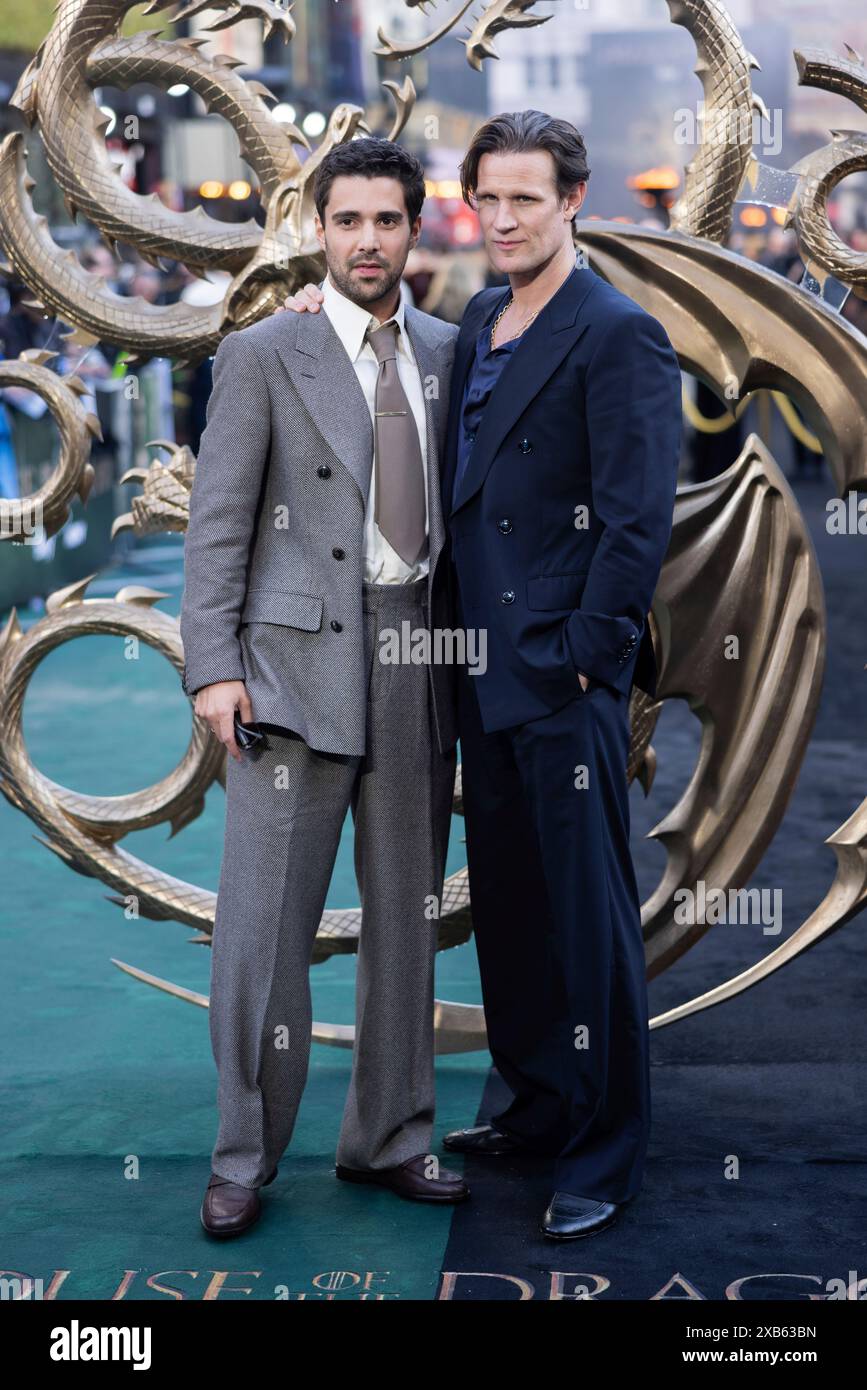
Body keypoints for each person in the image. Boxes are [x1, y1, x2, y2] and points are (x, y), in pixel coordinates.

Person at [282, 109, 683, 1239]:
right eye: (488, 199)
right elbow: (390, 371)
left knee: (591, 926)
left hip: (559, 682)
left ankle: (605, 1151)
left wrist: (580, 663)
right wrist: (317, 315)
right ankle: (539, 1103)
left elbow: (636, 523)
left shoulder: (618, 333)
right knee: (510, 911)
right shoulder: (479, 320)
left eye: (526, 198)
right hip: (474, 677)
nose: (503, 219)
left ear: (572, 202)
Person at [180, 137, 468, 1238]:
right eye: (346, 221)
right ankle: (243, 1156)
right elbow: (218, 523)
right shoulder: (263, 352)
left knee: (406, 919)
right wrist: (212, 666)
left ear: (413, 229)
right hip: (287, 674)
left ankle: (390, 1136)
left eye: (386, 221)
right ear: (318, 227)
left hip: (415, 665)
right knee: (263, 930)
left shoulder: (452, 350)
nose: (365, 240)